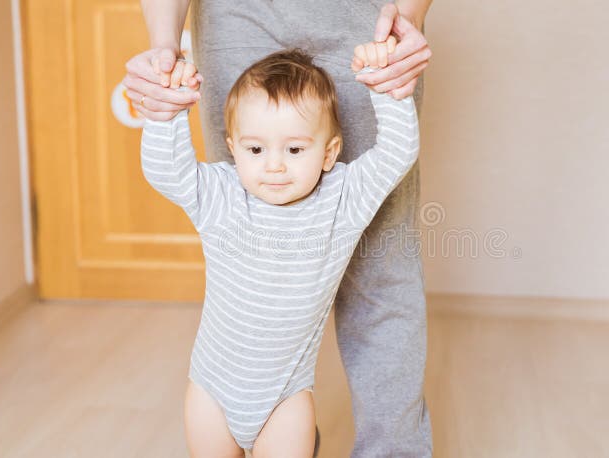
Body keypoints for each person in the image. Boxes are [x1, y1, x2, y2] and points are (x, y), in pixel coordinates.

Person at [124, 1, 433, 456]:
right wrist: (167, 104)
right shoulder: (222, 194)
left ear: (329, 154)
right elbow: (166, 170)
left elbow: (395, 154)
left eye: (294, 150)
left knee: (382, 277)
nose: (273, 166)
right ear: (233, 148)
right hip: (210, 391)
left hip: (285, 402)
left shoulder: (343, 200)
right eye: (255, 150)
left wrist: (388, 88)